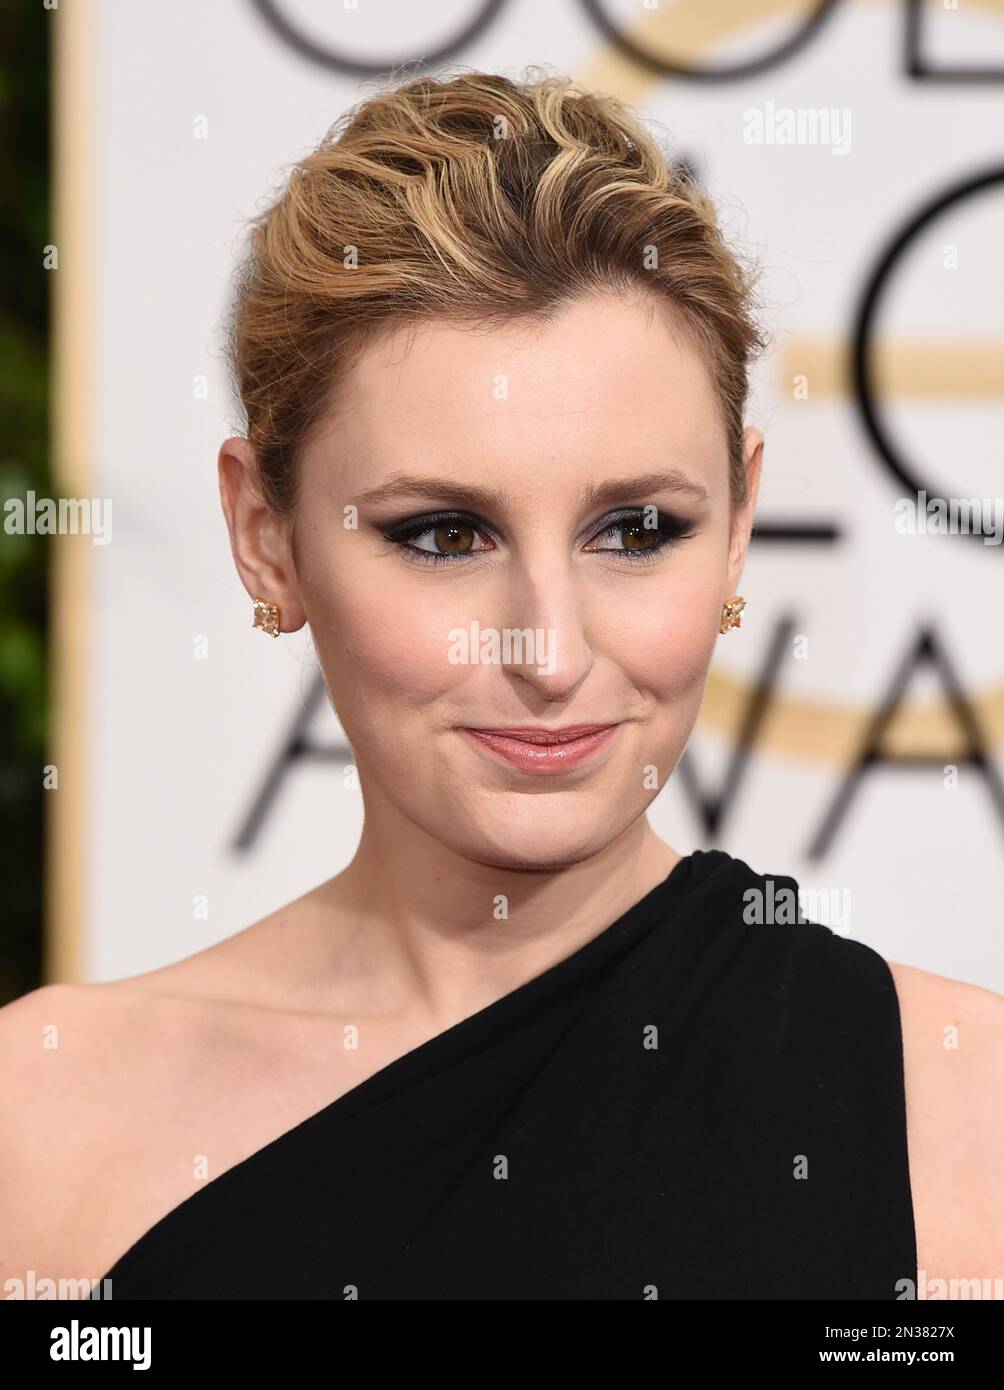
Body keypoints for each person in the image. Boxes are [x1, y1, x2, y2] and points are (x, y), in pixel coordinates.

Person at [2, 69, 1002, 1301]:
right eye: (441, 534)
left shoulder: (965, 1116)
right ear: (267, 533)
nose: (547, 652)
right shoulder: (41, 1119)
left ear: (740, 519)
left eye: (635, 530)